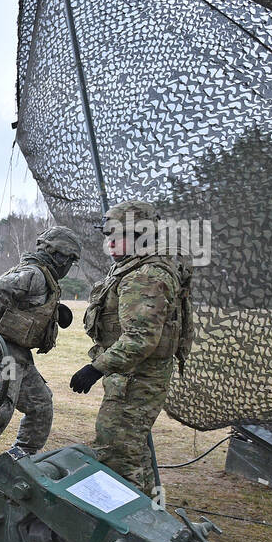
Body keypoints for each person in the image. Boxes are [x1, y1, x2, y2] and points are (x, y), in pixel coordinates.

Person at [71, 200, 192, 493]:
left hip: (137, 378)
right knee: (132, 448)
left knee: (117, 454)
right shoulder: (136, 266)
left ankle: (127, 525)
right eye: (108, 235)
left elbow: (140, 338)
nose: (110, 242)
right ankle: (150, 510)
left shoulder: (145, 275)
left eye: (118, 235)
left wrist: (95, 368)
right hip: (132, 376)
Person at [0, 226, 80, 458]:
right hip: (5, 355)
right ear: (59, 256)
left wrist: (52, 311)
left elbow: (22, 303)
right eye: (70, 260)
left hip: (19, 356)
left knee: (40, 406)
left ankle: (21, 460)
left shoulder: (43, 276)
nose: (68, 266)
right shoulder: (36, 274)